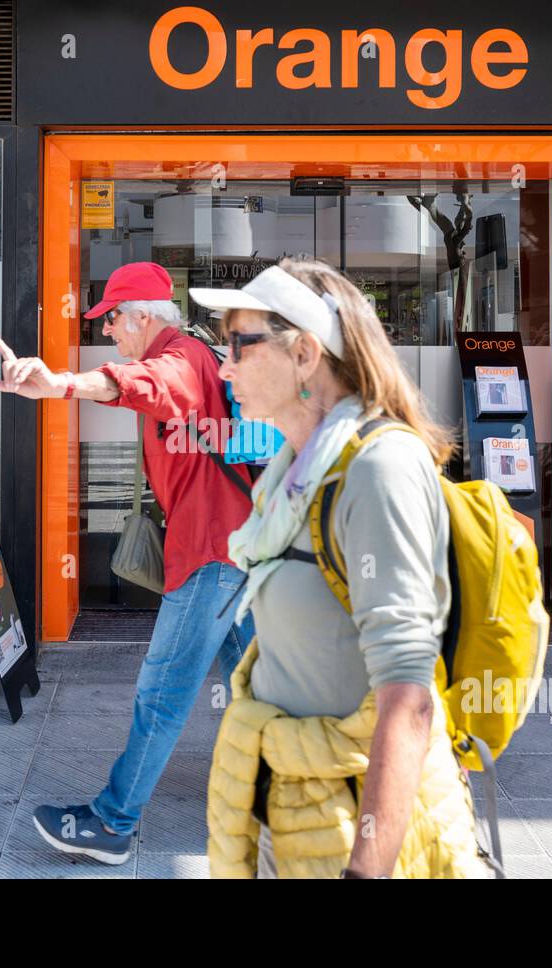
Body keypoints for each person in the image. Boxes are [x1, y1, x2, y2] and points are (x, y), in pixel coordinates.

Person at [192, 257, 492, 879]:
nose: (224, 367)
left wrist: (366, 869)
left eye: (239, 346)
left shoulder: (378, 469)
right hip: (297, 815)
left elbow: (407, 699)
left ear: (304, 354)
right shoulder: (296, 474)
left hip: (350, 834)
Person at [0, 261, 255, 865]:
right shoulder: (201, 355)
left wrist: (58, 384)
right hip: (240, 545)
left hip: (212, 553)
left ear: (141, 316)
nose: (107, 330)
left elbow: (136, 383)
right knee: (257, 686)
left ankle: (112, 823)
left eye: (111, 318)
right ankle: (292, 791)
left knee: (162, 693)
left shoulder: (180, 359)